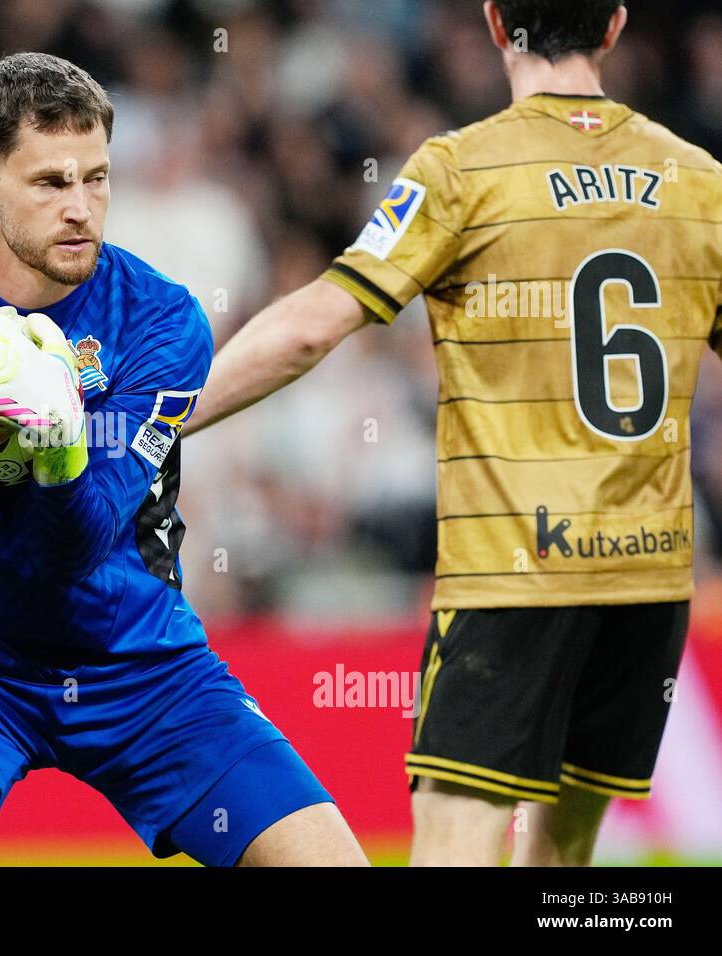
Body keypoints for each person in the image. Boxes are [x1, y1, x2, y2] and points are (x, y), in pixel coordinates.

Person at [185, 1, 722, 866]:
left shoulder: (462, 168)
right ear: (616, 26)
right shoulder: (700, 180)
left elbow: (314, 326)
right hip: (649, 576)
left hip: (515, 569)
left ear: (495, 21)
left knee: (455, 847)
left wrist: (163, 422)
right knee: (566, 865)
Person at [0, 52, 367, 867]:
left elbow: (75, 551)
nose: (81, 208)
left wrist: (55, 442)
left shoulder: (162, 323)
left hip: (142, 661)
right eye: (50, 183)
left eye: (97, 178)